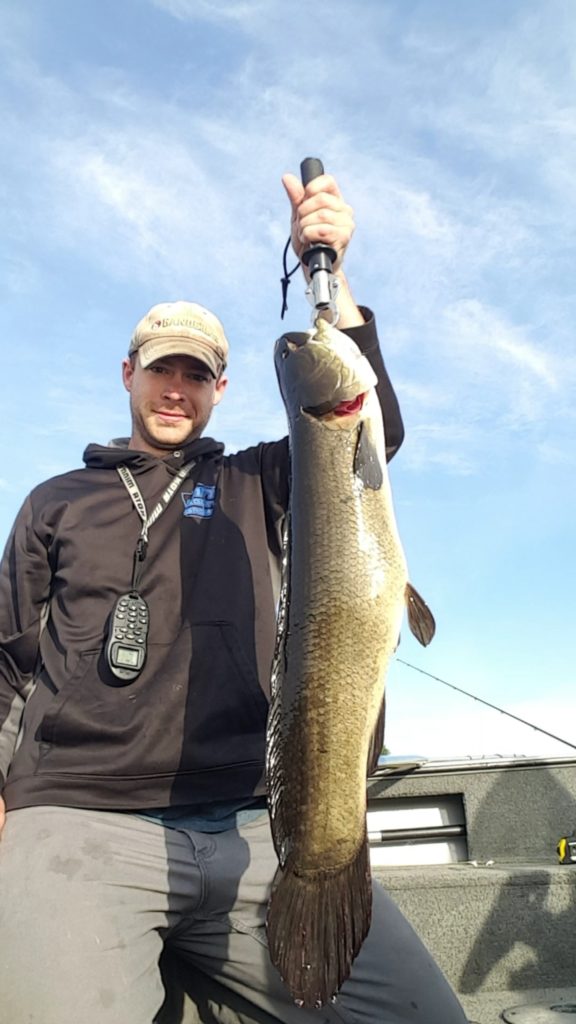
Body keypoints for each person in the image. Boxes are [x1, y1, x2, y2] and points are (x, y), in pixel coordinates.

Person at [0, 171, 467, 1024]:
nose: (176, 388)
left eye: (198, 373)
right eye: (161, 370)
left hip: (258, 819)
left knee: (424, 1015)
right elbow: (8, 661)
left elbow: (373, 436)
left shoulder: (260, 476)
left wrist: (332, 275)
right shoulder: (54, 502)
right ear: (129, 374)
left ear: (221, 388)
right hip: (79, 814)